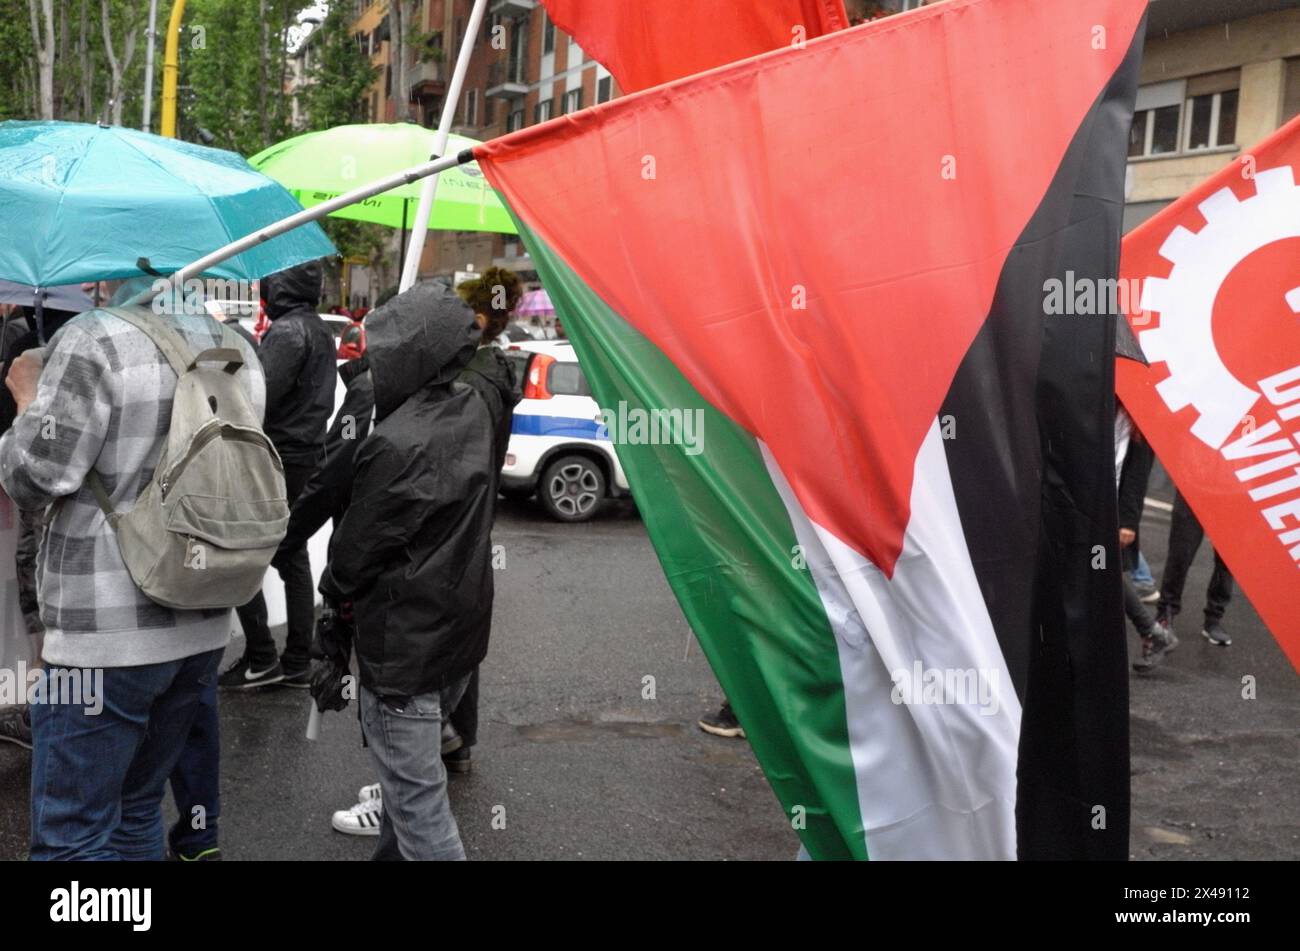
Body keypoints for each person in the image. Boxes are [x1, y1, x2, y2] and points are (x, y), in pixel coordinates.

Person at [0, 282, 264, 859]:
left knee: (72, 834)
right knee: (136, 810)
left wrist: (26, 398)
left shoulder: (93, 339)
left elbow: (34, 477)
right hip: (202, 622)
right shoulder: (238, 347)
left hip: (102, 637)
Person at [317, 282, 512, 860]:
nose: (375, 358)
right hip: (456, 634)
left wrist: (331, 611)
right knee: (407, 806)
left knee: (423, 817)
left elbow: (353, 557)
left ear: (412, 354)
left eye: (386, 348)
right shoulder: (473, 410)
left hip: (402, 649)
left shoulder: (396, 444)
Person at [221, 260, 335, 689]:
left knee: (241, 553)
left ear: (278, 286)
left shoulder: (288, 332)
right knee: (292, 555)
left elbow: (259, 392)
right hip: (306, 455)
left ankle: (261, 656)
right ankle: (297, 661)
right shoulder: (319, 329)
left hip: (277, 458)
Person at [1154, 490, 1235, 647]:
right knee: (1180, 554)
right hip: (1194, 484)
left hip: (1235, 491)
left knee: (1226, 561)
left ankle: (1214, 618)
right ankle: (1166, 612)